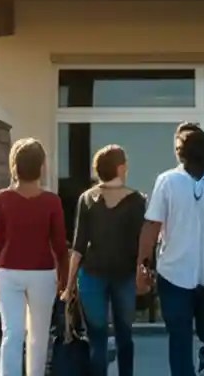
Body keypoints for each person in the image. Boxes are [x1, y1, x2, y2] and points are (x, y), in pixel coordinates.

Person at [137, 123, 204, 376]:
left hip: (175, 273)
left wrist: (142, 265)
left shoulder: (167, 182)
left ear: (179, 152)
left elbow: (152, 226)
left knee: (179, 336)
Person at [0, 138, 68, 376]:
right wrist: (64, 277)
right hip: (43, 273)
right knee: (39, 335)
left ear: (14, 166)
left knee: (12, 332)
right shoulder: (52, 201)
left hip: (8, 272)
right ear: (41, 166)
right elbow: (60, 245)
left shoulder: (2, 198)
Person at [62, 144, 146, 376]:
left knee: (97, 339)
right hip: (125, 276)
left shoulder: (87, 199)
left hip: (91, 277)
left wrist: (69, 286)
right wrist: (144, 273)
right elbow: (143, 245)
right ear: (120, 168)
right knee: (124, 337)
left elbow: (78, 247)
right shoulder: (138, 201)